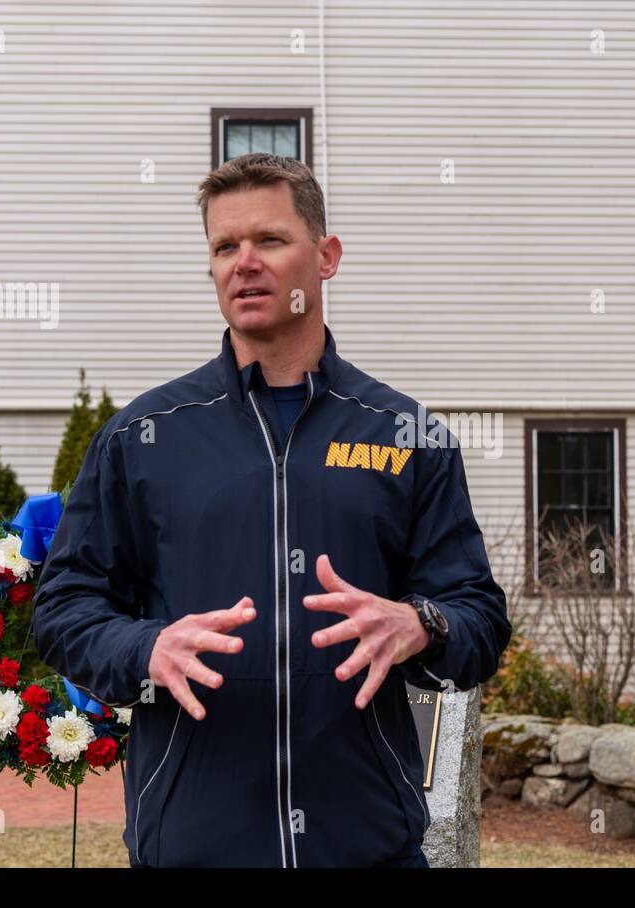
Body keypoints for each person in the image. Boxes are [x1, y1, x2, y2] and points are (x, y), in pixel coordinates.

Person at [33, 152, 511, 867]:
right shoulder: (142, 438)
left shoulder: (406, 435)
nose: (244, 262)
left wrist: (420, 623)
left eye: (270, 240)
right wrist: (146, 648)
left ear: (326, 256)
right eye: (225, 246)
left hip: (368, 846)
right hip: (194, 846)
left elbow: (479, 616)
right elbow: (63, 609)